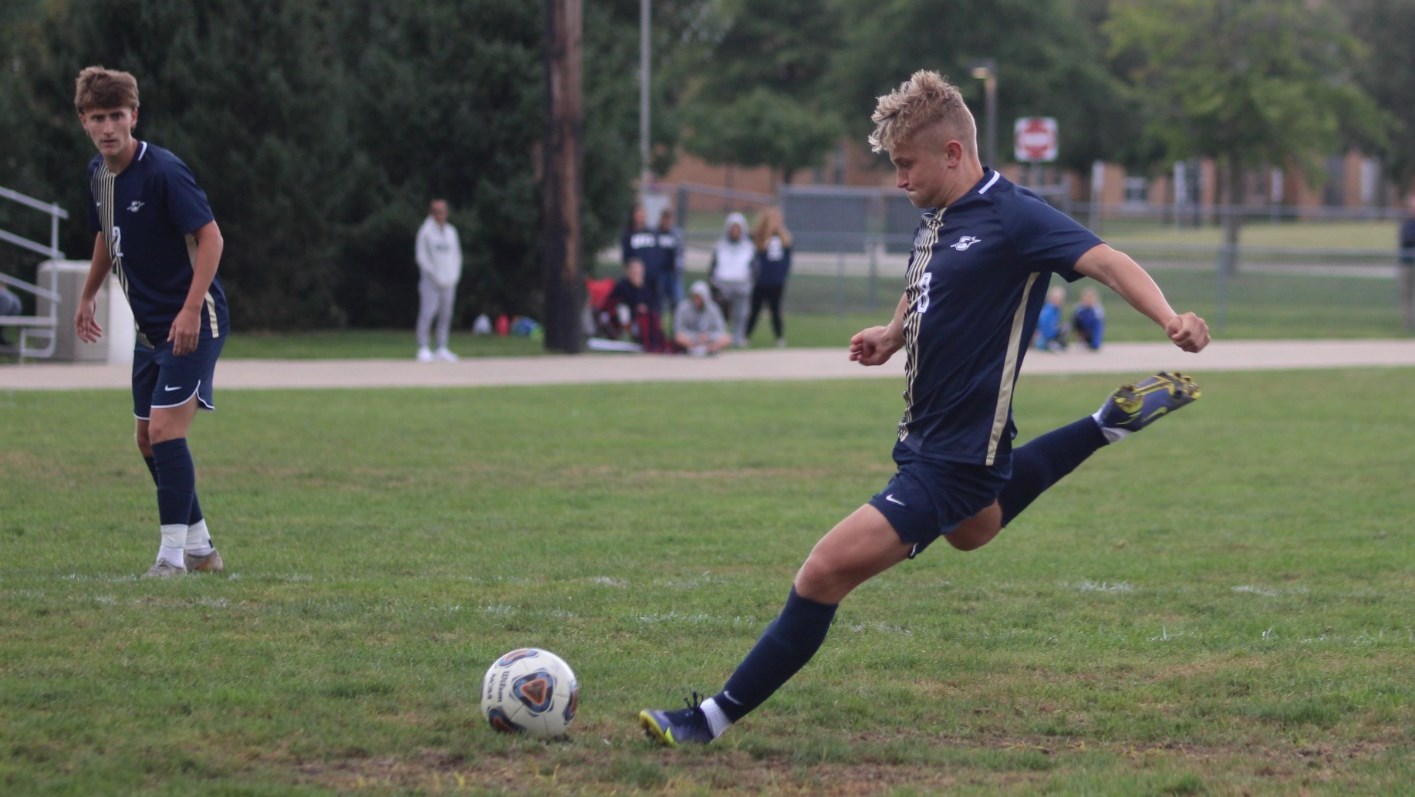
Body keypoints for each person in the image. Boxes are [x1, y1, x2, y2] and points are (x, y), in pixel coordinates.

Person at [639, 69, 1210, 746]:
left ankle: (707, 719)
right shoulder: (937, 219)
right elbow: (926, 286)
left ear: (952, 153)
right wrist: (891, 332)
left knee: (823, 571)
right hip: (938, 438)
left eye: (906, 164)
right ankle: (1100, 426)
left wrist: (1169, 317)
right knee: (974, 531)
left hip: (953, 456)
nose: (898, 178)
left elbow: (1107, 260)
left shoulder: (1013, 214)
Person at [71, 65, 230, 577]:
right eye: (98, 117)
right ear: (84, 122)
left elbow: (212, 238)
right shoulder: (98, 175)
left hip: (194, 319)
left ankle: (171, 559)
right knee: (146, 439)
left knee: (165, 431)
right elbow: (104, 236)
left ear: (134, 115)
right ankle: (202, 547)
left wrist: (188, 308)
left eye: (117, 115)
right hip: (150, 329)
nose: (109, 127)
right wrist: (89, 293)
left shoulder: (163, 171)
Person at [414, 199, 462, 362]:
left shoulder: (451, 232)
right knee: (427, 313)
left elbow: (456, 256)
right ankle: (423, 347)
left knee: (446, 314)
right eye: (436, 212)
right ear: (431, 213)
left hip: (449, 281)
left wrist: (454, 275)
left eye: (443, 211)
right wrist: (433, 274)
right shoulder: (425, 232)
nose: (440, 215)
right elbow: (422, 257)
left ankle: (442, 347)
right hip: (431, 282)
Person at [746, 207, 793, 347]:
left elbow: (787, 260)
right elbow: (752, 256)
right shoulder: (758, 238)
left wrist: (782, 275)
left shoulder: (784, 238)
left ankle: (779, 337)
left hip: (776, 282)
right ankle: (746, 335)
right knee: (755, 309)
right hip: (760, 281)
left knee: (775, 310)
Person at [708, 212, 755, 347]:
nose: (735, 231)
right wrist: (714, 281)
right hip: (723, 285)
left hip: (742, 284)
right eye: (732, 228)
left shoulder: (748, 246)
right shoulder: (721, 245)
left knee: (741, 314)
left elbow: (753, 266)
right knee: (721, 314)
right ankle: (721, 337)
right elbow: (714, 265)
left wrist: (750, 279)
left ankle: (738, 339)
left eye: (737, 228)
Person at [601, 258, 667, 351]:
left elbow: (654, 304)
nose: (636, 273)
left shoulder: (649, 286)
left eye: (638, 270)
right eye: (633, 271)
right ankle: (630, 337)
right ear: (628, 272)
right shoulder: (622, 286)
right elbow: (612, 304)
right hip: (629, 318)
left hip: (646, 317)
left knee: (651, 319)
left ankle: (653, 344)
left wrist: (646, 309)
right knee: (625, 312)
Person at [673, 280, 732, 356]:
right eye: (695, 297)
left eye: (700, 298)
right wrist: (696, 336)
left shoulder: (713, 308)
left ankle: (711, 349)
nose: (697, 300)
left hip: (709, 339)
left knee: (727, 338)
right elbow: (679, 329)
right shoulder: (683, 307)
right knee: (679, 337)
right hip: (691, 338)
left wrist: (708, 336)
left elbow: (720, 329)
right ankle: (692, 348)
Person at [651, 207, 687, 320]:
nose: (666, 221)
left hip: (673, 274)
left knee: (678, 302)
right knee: (658, 304)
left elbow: (681, 254)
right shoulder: (655, 234)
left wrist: (678, 268)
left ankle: (677, 331)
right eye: (664, 218)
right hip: (659, 273)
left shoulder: (677, 235)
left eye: (669, 218)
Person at [1034, 285, 1067, 351]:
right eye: (1056, 299)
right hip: (1044, 338)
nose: (1059, 301)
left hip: (1050, 336)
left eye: (1060, 299)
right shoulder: (1048, 311)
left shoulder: (1056, 310)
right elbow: (1045, 326)